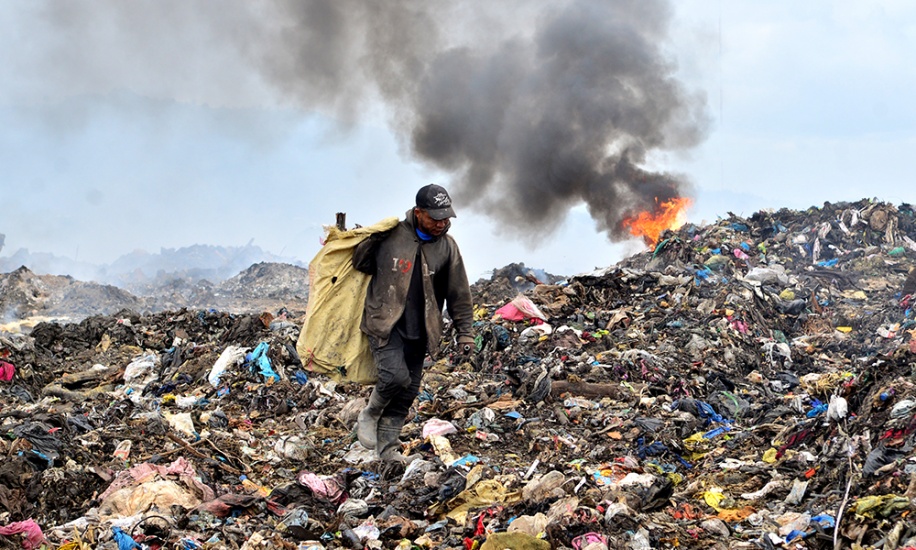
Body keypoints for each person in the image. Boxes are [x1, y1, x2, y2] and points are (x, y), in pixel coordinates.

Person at [352, 183, 475, 461]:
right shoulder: (391, 235)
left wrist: (465, 332)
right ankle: (369, 413)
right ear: (419, 213)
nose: (441, 223)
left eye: (446, 218)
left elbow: (459, 293)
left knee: (408, 391)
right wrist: (368, 241)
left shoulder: (447, 248)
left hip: (421, 330)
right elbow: (360, 264)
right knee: (395, 377)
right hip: (385, 322)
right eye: (435, 218)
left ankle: (388, 452)